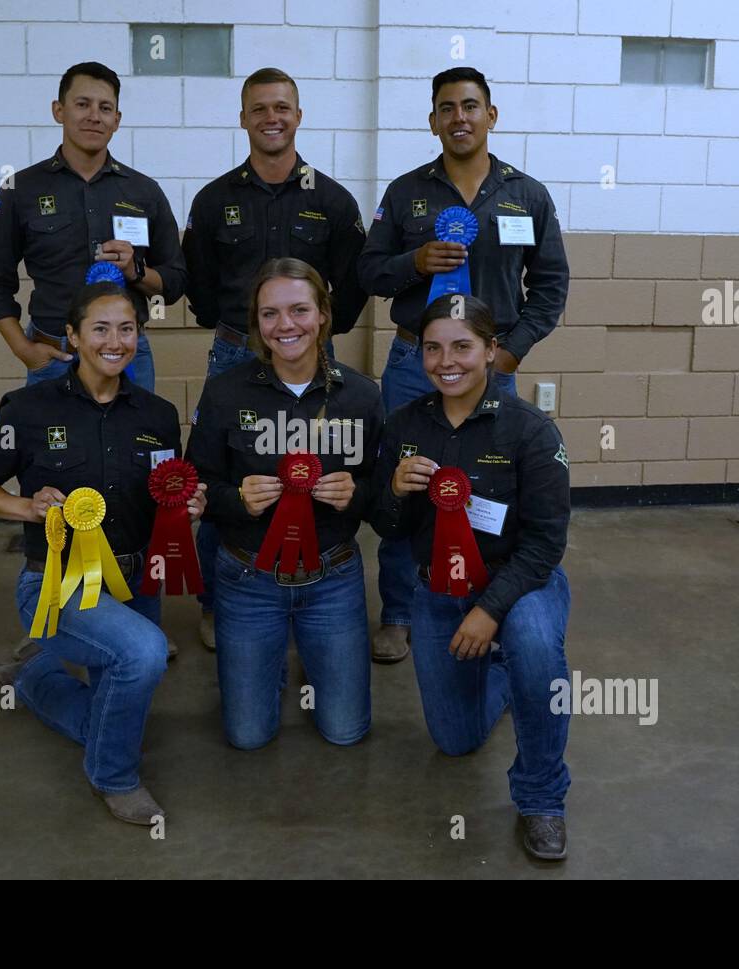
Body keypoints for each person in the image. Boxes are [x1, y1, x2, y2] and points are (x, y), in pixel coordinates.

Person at [0, 281, 204, 826]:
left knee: (121, 702)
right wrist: (28, 508)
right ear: (72, 335)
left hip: (136, 582)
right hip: (56, 583)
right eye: (100, 328)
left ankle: (34, 678)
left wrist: (188, 507)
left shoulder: (157, 414)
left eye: (128, 328)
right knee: (142, 654)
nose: (115, 341)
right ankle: (114, 778)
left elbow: (164, 497)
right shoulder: (29, 407)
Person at [358, 65, 569, 665]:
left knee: (490, 487)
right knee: (411, 485)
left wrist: (512, 349)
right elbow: (369, 272)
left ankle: (488, 595)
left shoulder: (527, 194)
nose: (459, 117)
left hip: (492, 363)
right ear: (433, 120)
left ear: (490, 116)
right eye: (447, 108)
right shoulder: (405, 193)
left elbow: (550, 285)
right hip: (413, 362)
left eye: (471, 106)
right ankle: (400, 611)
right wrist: (415, 261)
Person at [371, 294, 572, 861]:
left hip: (520, 586)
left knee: (534, 645)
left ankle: (542, 799)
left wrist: (490, 612)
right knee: (455, 742)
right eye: (432, 348)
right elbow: (387, 529)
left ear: (490, 350)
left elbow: (545, 545)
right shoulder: (406, 425)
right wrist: (393, 491)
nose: (445, 360)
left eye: (462, 346)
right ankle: (507, 677)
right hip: (439, 591)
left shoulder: (530, 431)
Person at [183, 67, 369, 653]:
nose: (272, 117)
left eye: (282, 107)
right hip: (235, 348)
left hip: (313, 353)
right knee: (226, 481)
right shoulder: (213, 200)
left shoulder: (334, 200)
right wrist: (238, 327)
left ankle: (311, 581)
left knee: (311, 476)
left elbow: (356, 279)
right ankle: (220, 600)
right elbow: (202, 284)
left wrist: (317, 330)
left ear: (299, 115)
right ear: (243, 118)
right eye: (259, 108)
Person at [185, 258, 383, 750]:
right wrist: (236, 500)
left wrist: (357, 494)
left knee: (344, 731)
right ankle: (261, 664)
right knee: (248, 736)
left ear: (322, 315)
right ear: (256, 323)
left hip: (332, 577)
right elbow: (199, 486)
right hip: (248, 576)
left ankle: (297, 657)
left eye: (299, 310)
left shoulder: (361, 395)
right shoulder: (225, 392)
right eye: (270, 314)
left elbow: (386, 492)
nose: (285, 325)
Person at [0, 60, 187, 392]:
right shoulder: (20, 189)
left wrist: (135, 271)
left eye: (105, 108)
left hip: (127, 361)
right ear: (58, 111)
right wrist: (24, 350)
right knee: (49, 446)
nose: (94, 115)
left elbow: (176, 281)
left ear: (117, 120)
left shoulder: (144, 191)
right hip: (54, 360)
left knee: (135, 444)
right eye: (82, 104)